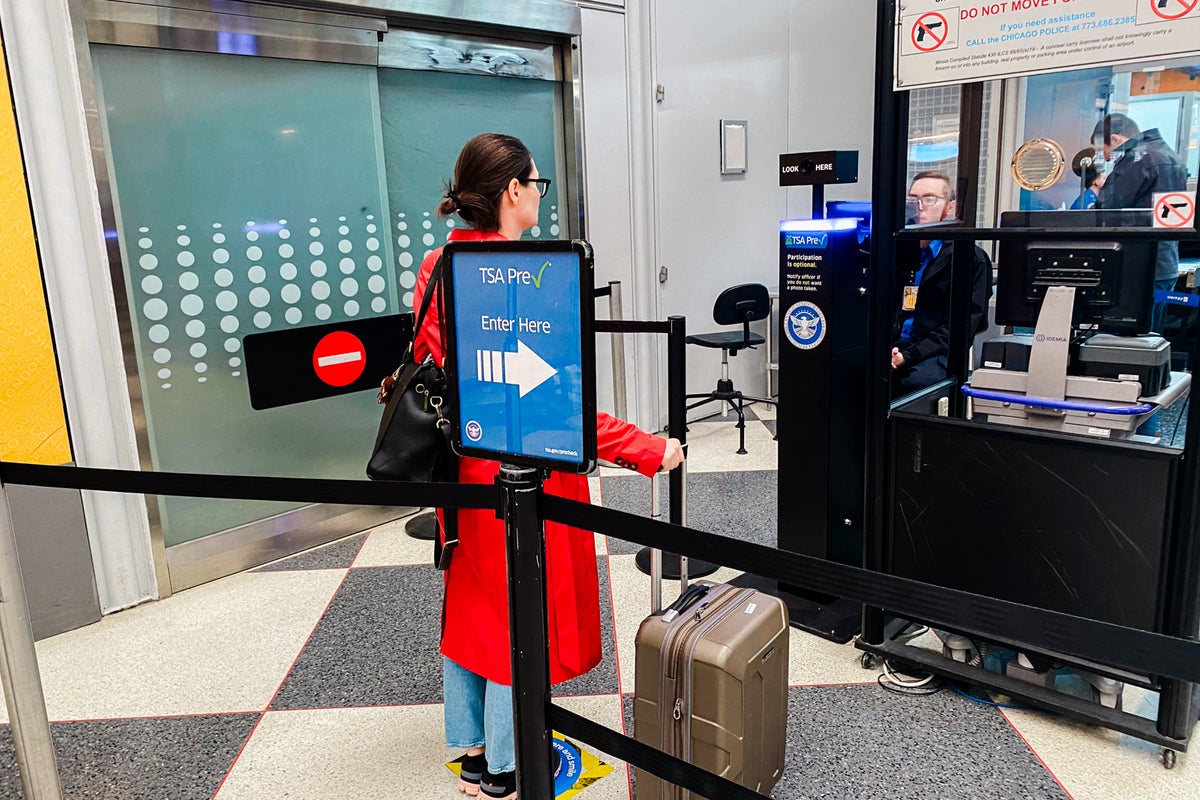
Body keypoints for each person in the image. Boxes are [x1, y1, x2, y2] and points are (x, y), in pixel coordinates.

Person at [413, 133, 684, 800]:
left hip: (464, 471)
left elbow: (441, 368)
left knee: (475, 603)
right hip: (525, 470)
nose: (540, 193)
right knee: (518, 612)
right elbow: (553, 402)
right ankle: (511, 764)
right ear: (512, 191)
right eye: (537, 182)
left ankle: (473, 747)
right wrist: (647, 449)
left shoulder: (441, 262)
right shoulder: (527, 272)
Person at [892, 170, 992, 397]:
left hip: (934, 353)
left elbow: (960, 327)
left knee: (917, 384)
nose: (919, 207)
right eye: (912, 200)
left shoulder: (968, 258)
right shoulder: (894, 254)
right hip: (893, 345)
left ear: (950, 208)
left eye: (929, 199)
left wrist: (906, 357)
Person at [1091, 112, 1188, 334]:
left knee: (1124, 341)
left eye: (1102, 150)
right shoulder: (1170, 156)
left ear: (1115, 140)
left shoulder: (1139, 159)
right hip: (1165, 264)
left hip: (1138, 267)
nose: (1106, 158)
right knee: (1150, 338)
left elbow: (1106, 210)